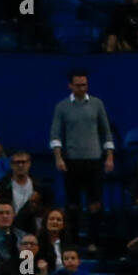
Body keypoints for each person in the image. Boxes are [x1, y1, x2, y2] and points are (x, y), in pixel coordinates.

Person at [49, 69, 114, 251]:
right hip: (71, 161)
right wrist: (58, 157)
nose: (81, 88)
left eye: (84, 84)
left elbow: (105, 131)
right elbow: (55, 134)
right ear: (70, 85)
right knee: (73, 205)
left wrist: (109, 157)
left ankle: (93, 241)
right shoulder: (62, 107)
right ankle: (74, 240)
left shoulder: (97, 104)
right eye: (78, 85)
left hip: (94, 160)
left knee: (95, 203)